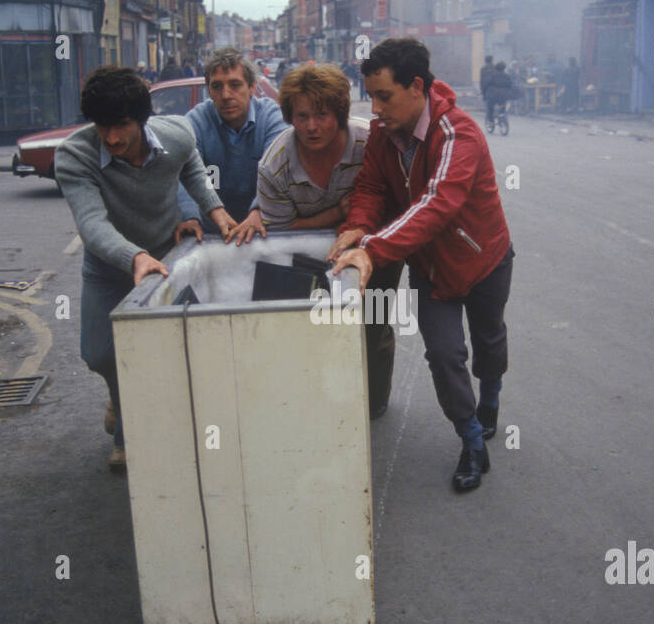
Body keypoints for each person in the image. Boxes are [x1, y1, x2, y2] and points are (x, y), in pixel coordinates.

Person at [329, 38, 513, 492]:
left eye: (383, 96)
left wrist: (371, 248)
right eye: (369, 95)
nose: (374, 108)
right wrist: (357, 226)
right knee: (445, 354)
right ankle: (471, 440)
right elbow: (372, 188)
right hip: (432, 268)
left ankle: (490, 399)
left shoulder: (458, 133)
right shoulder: (382, 135)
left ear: (416, 87)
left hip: (485, 257)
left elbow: (437, 203)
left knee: (489, 339)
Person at [54, 66, 238, 471]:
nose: (113, 138)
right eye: (103, 127)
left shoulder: (176, 133)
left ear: (141, 119)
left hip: (163, 260)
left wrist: (213, 207)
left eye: (121, 125)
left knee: (153, 351)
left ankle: (129, 436)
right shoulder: (74, 155)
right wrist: (133, 257)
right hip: (110, 264)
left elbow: (189, 164)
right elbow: (92, 225)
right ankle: (119, 400)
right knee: (98, 354)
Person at [255, 64, 400, 419]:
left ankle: (372, 401)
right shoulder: (274, 166)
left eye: (322, 115)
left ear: (340, 113)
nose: (311, 127)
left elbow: (397, 205)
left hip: (373, 247)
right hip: (305, 255)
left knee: (372, 325)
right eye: (301, 116)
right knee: (312, 328)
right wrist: (337, 212)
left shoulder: (372, 143)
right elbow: (280, 236)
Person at [176, 47, 287, 244]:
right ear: (208, 90)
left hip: (264, 231)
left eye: (235, 85)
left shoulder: (271, 116)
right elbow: (183, 173)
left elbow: (277, 169)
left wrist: (259, 209)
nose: (226, 95)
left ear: (252, 87)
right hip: (212, 235)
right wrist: (190, 217)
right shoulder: (196, 120)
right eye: (216, 86)